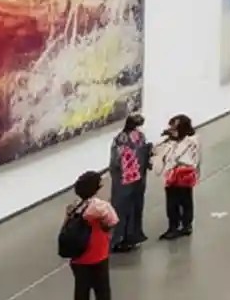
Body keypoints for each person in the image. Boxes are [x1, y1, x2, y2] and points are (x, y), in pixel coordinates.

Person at [66, 171, 118, 300]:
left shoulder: (73, 207)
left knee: (81, 291)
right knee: (102, 291)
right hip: (97, 255)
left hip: (78, 257)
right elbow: (113, 220)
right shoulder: (99, 207)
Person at [108, 113, 150, 253]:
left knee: (135, 207)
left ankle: (132, 235)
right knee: (121, 207)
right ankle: (119, 238)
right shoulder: (121, 139)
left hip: (137, 178)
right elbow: (116, 161)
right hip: (124, 179)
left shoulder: (140, 136)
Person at [154, 114, 201, 240]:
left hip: (182, 175)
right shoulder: (170, 141)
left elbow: (182, 158)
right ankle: (175, 226)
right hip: (172, 175)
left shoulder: (190, 142)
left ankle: (184, 225)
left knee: (184, 201)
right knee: (173, 202)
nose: (171, 130)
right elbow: (157, 151)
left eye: (174, 127)